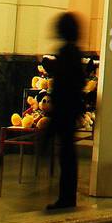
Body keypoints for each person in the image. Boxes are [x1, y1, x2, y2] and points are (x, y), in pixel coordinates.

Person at [40, 13, 87, 211]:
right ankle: (67, 197)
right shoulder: (74, 53)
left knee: (66, 155)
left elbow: (64, 86)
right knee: (67, 154)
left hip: (64, 110)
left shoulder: (67, 54)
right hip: (70, 109)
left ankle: (66, 198)